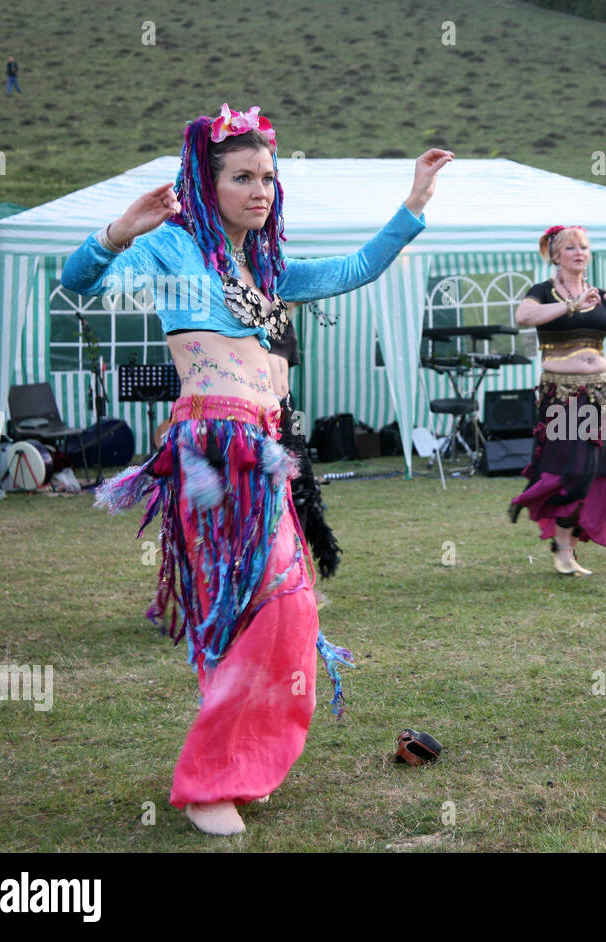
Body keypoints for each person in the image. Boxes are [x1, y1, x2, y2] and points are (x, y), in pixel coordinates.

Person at [61, 102, 452, 834]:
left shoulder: (265, 269)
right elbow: (78, 279)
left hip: (267, 453)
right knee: (251, 610)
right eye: (243, 177)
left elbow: (356, 267)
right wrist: (120, 231)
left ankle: (241, 759)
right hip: (211, 452)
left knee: (277, 607)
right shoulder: (174, 249)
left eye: (268, 177)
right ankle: (211, 783)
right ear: (207, 185)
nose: (260, 189)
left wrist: (413, 205)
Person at [509, 226, 606, 575]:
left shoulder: (600, 296)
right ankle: (560, 545)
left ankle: (568, 550)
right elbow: (523, 317)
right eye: (571, 247)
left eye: (584, 247)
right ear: (556, 255)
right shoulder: (543, 292)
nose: (579, 252)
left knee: (598, 471)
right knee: (570, 469)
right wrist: (571, 307)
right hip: (562, 395)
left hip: (600, 393)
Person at [268, 311, 342, 580]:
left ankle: (295, 570)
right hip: (256, 414)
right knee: (267, 497)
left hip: (286, 412)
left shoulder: (280, 317)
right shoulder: (238, 312)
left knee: (303, 493)